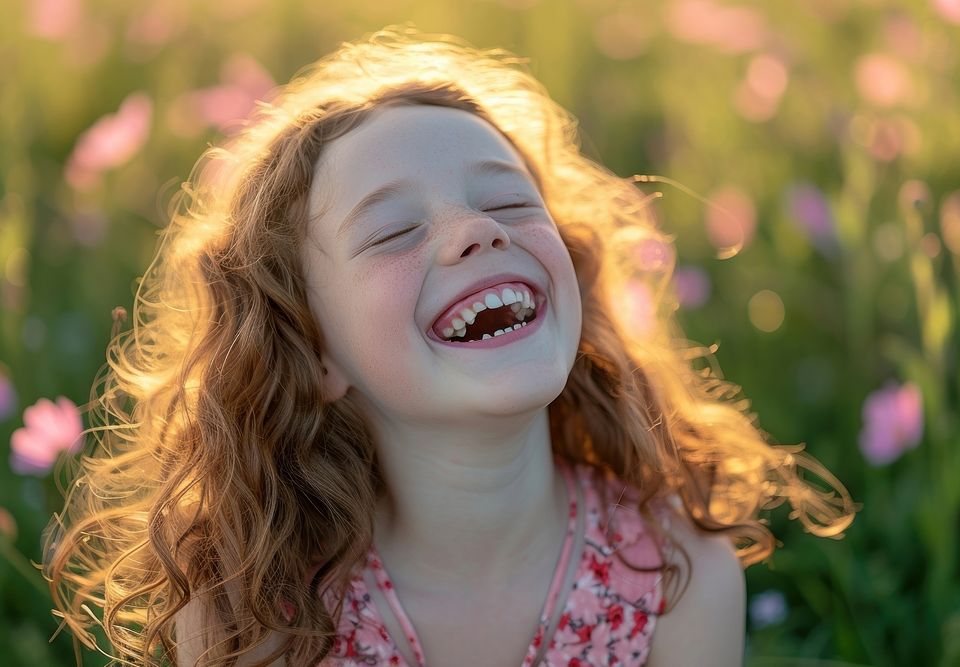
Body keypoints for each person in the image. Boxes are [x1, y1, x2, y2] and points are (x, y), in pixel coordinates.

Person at [44, 24, 857, 667]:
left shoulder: (677, 577)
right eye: (395, 230)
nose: (476, 231)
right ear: (316, 351)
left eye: (508, 201)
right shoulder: (256, 614)